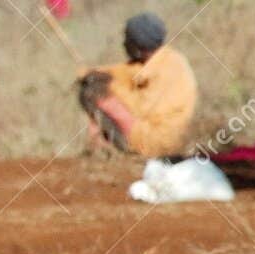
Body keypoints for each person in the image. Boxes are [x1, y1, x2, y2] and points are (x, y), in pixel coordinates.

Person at [77, 11, 196, 158]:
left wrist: (107, 91)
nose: (124, 44)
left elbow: (141, 110)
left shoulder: (168, 70)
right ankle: (101, 146)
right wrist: (94, 73)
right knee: (95, 84)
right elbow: (125, 72)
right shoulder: (162, 58)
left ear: (137, 46)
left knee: (95, 92)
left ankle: (113, 148)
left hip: (157, 140)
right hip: (154, 131)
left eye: (127, 41)